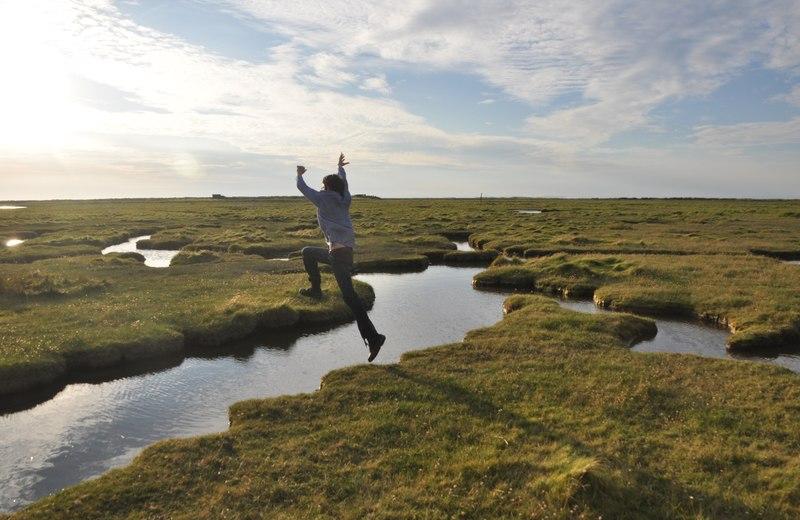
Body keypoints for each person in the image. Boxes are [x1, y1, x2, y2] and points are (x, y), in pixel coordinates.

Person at [296, 153, 386, 362]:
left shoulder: (323, 198)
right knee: (307, 252)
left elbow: (303, 188)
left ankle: (374, 338)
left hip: (338, 255)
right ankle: (316, 289)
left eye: (322, 185)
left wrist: (299, 174)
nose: (320, 187)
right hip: (340, 252)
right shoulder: (345, 199)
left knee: (351, 299)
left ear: (327, 187)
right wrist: (340, 169)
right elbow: (344, 185)